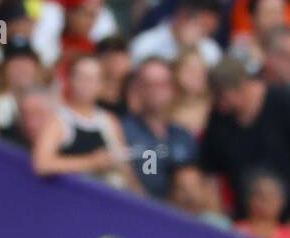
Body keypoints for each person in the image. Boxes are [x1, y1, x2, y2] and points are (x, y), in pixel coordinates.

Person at [200, 56, 290, 238]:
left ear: (242, 87)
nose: (220, 104)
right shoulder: (219, 117)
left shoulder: (282, 103)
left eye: (223, 96)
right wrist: (220, 220)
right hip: (245, 224)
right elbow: (210, 172)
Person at [32, 55, 138, 191]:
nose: (87, 84)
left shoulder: (109, 120)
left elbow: (126, 169)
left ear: (101, 84)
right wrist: (91, 162)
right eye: (82, 77)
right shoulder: (58, 119)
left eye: (93, 79)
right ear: (70, 80)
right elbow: (42, 164)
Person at [123, 57, 199, 199]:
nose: (155, 92)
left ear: (172, 88)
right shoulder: (123, 130)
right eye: (149, 85)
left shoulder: (182, 134)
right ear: (138, 88)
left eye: (161, 85)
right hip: (136, 209)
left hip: (177, 213)